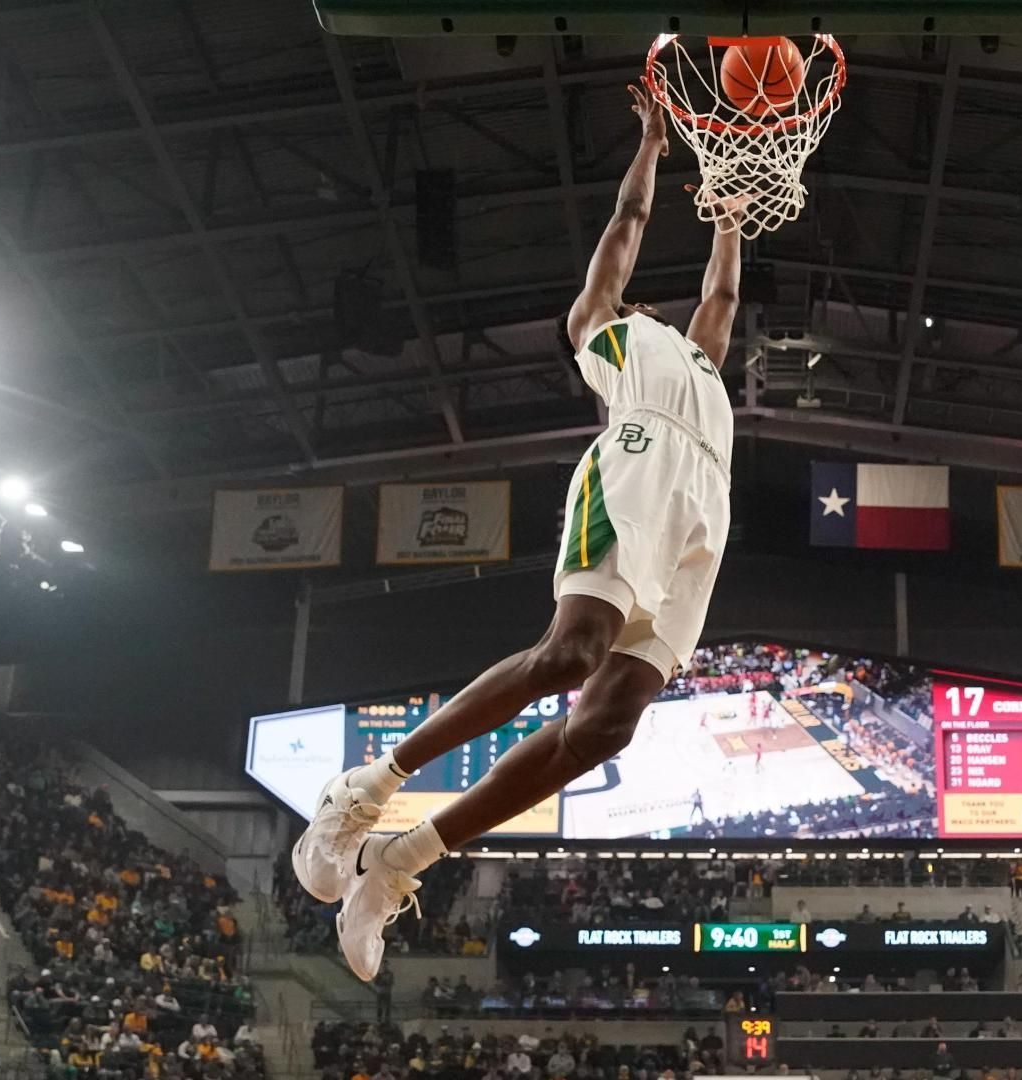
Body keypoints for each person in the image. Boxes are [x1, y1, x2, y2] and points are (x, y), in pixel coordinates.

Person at [291, 80, 750, 981]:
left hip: (706, 503)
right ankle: (363, 791)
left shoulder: (702, 355)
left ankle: (398, 862)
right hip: (639, 461)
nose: (660, 306)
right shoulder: (603, 331)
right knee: (571, 653)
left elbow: (724, 297)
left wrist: (730, 212)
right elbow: (624, 222)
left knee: (608, 724)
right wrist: (655, 148)